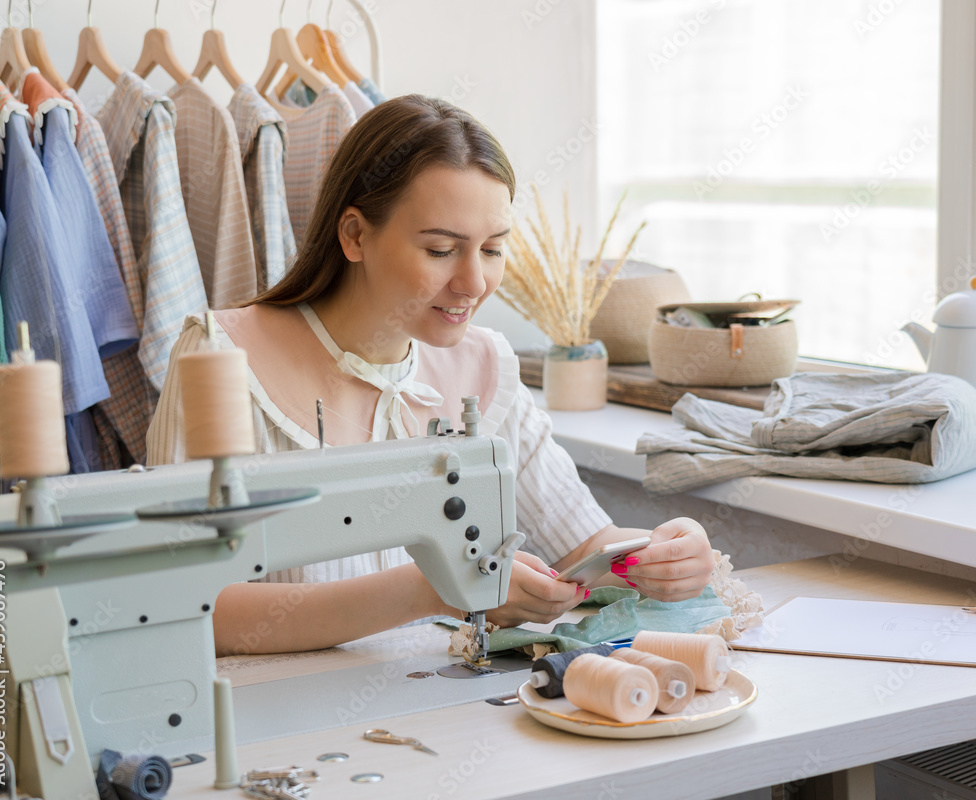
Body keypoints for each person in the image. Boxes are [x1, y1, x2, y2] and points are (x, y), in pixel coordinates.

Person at [147, 94, 716, 656]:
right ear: (354, 235)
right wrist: (430, 592)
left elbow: (585, 546)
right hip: (280, 726)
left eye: (493, 250)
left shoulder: (487, 369)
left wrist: (660, 555)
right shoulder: (221, 357)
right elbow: (179, 604)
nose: (473, 283)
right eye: (442, 249)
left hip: (440, 716)